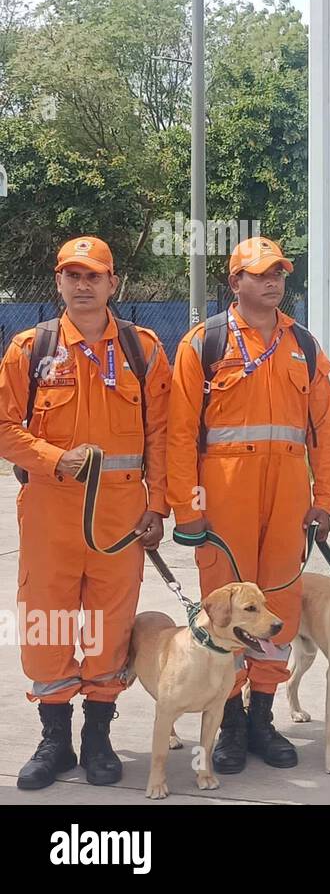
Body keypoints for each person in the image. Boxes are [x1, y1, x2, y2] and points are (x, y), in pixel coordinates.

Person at [0, 235, 170, 789]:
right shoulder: (31, 348)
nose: (83, 284)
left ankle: (98, 737)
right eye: (72, 275)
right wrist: (54, 458)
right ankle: (55, 741)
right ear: (58, 282)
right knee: (47, 624)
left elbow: (162, 435)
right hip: (50, 513)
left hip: (120, 519)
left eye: (93, 275)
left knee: (108, 625)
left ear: (111, 283)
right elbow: (5, 428)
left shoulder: (143, 349)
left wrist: (159, 504)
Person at [168, 236, 330, 773]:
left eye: (279, 274)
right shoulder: (205, 342)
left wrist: (325, 498)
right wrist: (188, 509)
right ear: (234, 280)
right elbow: (178, 435)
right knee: (225, 608)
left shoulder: (304, 345)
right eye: (260, 274)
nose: (272, 282)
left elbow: (325, 432)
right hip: (223, 498)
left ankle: (262, 715)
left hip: (288, 496)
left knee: (279, 605)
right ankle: (229, 723)